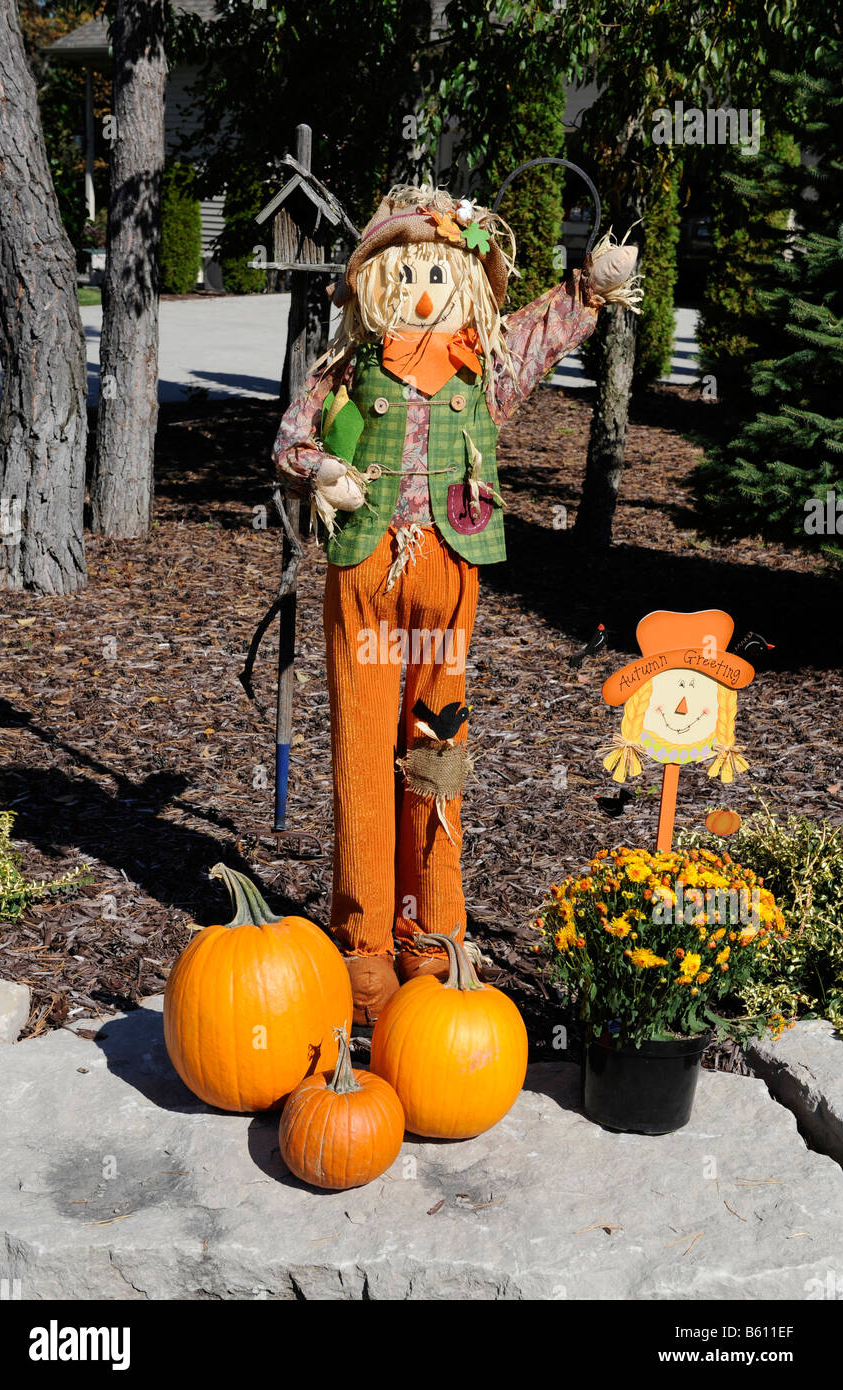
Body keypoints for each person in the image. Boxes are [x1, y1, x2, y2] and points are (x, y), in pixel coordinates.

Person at [274, 182, 641, 1023]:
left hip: (449, 574)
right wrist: (320, 471)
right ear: (375, 283)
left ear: (467, 284)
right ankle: (363, 942)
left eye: (442, 275)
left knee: (439, 750)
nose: (426, 294)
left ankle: (433, 932)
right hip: (362, 574)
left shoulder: (485, 370)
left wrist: (588, 285)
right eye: (408, 276)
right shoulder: (342, 370)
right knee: (362, 753)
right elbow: (292, 439)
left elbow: (540, 337)